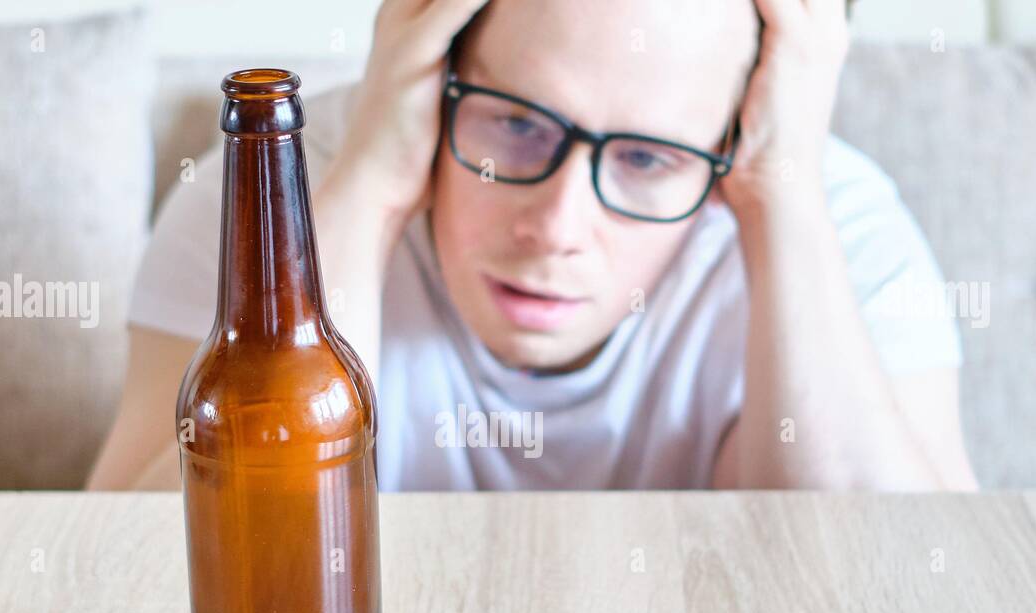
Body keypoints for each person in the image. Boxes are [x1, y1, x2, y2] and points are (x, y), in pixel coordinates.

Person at [87, 0, 979, 492]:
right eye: (516, 124)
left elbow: (902, 606)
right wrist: (370, 188)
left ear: (735, 142)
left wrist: (784, 202)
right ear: (435, 72)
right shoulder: (262, 200)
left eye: (648, 159)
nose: (556, 229)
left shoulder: (826, 225)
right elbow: (125, 586)